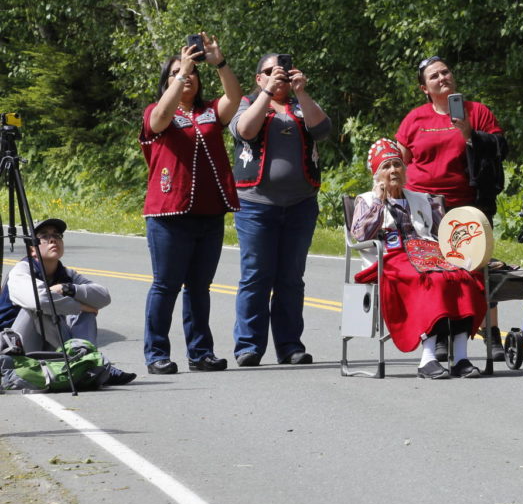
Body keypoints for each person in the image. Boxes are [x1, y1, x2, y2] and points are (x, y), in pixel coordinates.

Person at [139, 33, 242, 375]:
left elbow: (235, 97)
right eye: (176, 73)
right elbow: (161, 116)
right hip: (168, 215)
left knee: (199, 288)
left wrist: (219, 63)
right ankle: (156, 353)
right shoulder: (157, 112)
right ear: (167, 81)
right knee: (166, 285)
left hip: (209, 213)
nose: (187, 77)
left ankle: (200, 352)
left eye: (192, 73)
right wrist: (181, 70)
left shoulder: (210, 111)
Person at [394, 56, 507, 361]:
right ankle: (440, 333)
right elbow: (399, 160)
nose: (442, 78)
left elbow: (500, 148)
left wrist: (470, 134)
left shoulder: (477, 111)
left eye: (445, 72)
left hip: (469, 206)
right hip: (424, 210)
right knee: (435, 272)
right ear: (424, 88)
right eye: (434, 76)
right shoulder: (415, 119)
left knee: (477, 268)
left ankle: (491, 332)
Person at [350, 138, 487, 379]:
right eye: (386, 166)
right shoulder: (367, 200)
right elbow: (360, 235)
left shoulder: (422, 198)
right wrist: (379, 202)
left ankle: (461, 358)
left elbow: (442, 234)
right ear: (376, 174)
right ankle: (428, 359)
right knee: (431, 280)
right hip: (390, 259)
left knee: (466, 276)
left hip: (429, 254)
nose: (393, 170)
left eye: (397, 164)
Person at [229, 53, 332, 367]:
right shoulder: (248, 102)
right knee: (256, 276)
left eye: (283, 70)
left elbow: (323, 130)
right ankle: (248, 346)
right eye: (270, 71)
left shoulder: (301, 104)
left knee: (291, 278)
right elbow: (245, 131)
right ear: (259, 77)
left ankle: (289, 346)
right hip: (256, 205)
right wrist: (267, 93)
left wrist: (301, 92)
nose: (279, 75)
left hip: (300, 205)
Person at [1, 218, 136, 385]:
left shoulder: (66, 274)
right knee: (36, 307)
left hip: (48, 342)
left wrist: (67, 288)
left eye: (57, 235)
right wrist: (78, 306)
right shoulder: (21, 270)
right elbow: (40, 300)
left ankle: (88, 362)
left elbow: (103, 296)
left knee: (85, 313)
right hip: (13, 346)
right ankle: (86, 363)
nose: (52, 240)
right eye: (44, 236)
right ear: (32, 249)